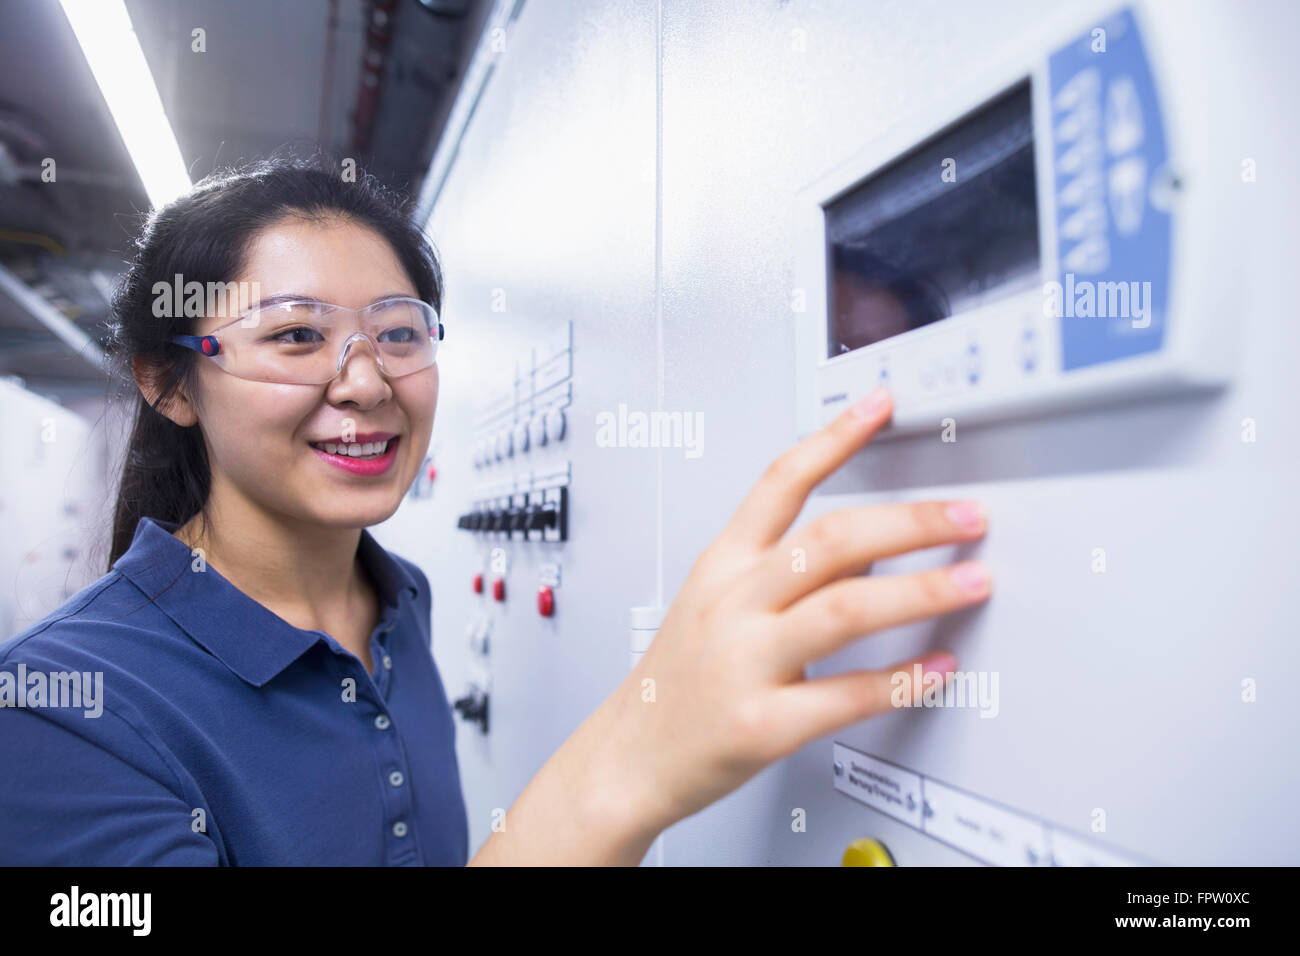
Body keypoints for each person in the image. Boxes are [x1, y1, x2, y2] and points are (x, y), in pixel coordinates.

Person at [0, 152, 991, 865]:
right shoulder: (64, 708)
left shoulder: (401, 607)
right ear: (170, 383)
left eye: (397, 332)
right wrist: (625, 771)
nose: (364, 381)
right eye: (296, 335)